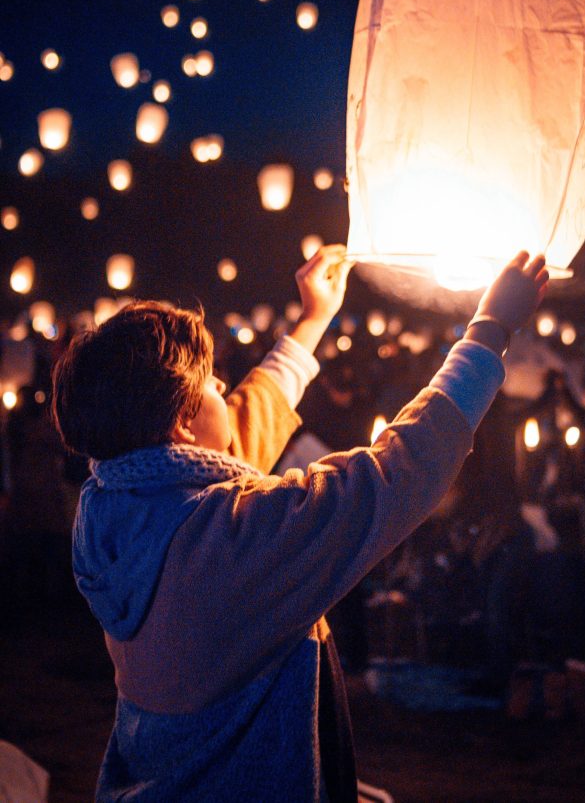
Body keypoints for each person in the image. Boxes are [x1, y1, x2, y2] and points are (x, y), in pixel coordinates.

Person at [51, 245, 548, 802]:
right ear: (184, 424)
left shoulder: (117, 506)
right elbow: (392, 475)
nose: (224, 389)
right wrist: (489, 331)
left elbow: (236, 437)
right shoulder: (228, 547)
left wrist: (313, 320)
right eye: (211, 382)